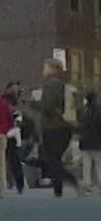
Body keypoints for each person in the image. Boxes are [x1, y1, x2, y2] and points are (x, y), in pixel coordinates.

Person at [35, 58, 76, 197]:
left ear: (53, 69)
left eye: (45, 68)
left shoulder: (50, 84)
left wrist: (36, 105)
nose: (43, 71)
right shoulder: (64, 85)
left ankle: (69, 183)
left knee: (52, 158)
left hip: (52, 126)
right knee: (56, 158)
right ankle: (61, 186)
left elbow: (48, 106)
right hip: (65, 125)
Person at [4, 81, 31, 192]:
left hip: (14, 134)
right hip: (8, 132)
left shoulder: (18, 103)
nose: (17, 92)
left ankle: (16, 182)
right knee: (10, 159)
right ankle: (12, 182)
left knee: (13, 159)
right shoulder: (6, 102)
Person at [78, 91, 101, 197]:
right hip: (98, 142)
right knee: (99, 165)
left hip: (86, 142)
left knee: (86, 166)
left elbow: (80, 127)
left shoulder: (83, 111)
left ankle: (87, 187)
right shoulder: (99, 110)